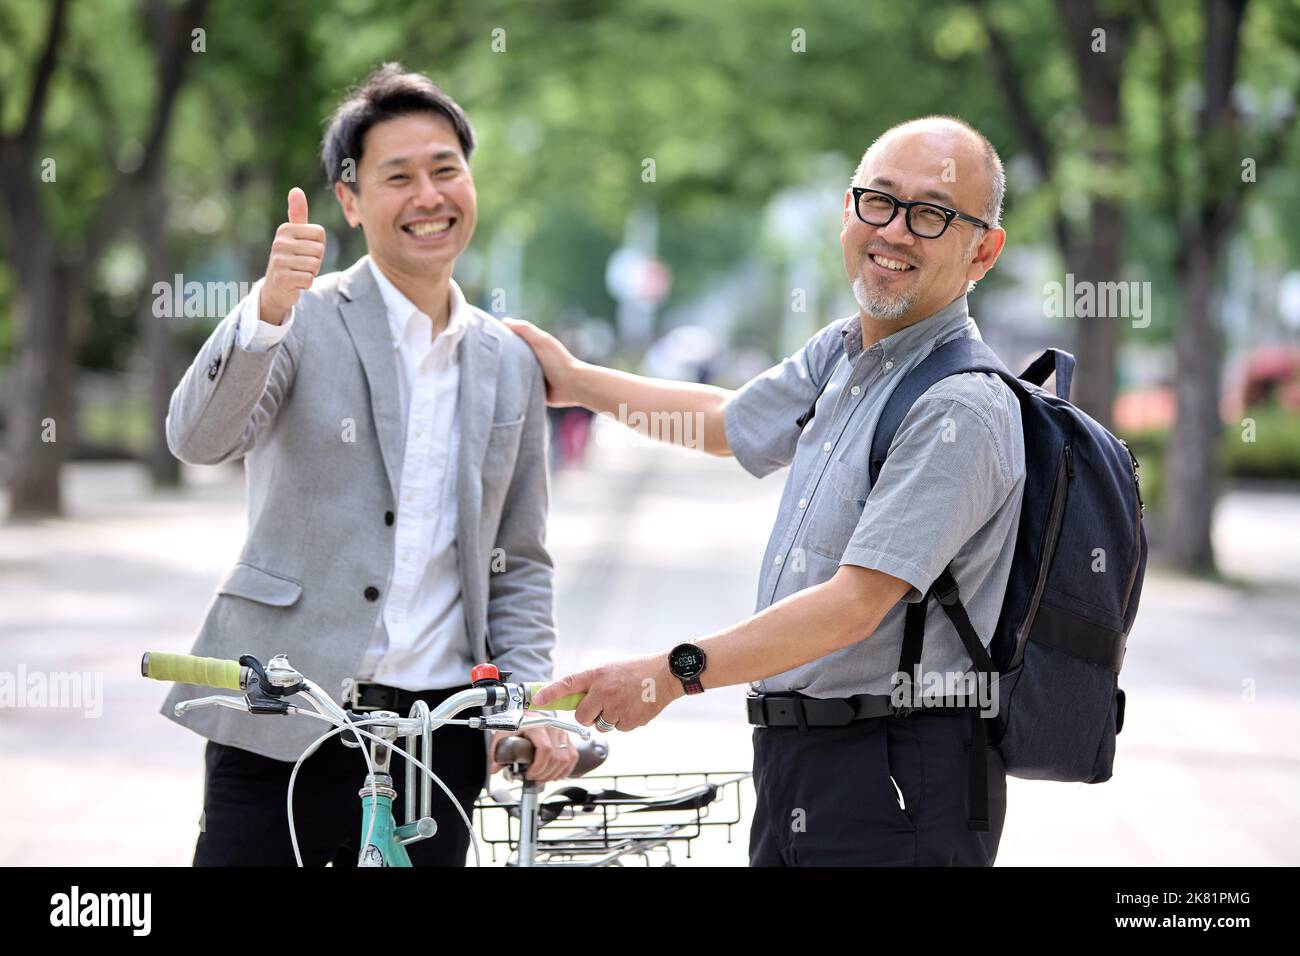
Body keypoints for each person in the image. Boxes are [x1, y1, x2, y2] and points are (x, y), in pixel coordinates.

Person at [512, 116, 1026, 866]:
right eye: (878, 201)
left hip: (899, 777)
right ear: (847, 212)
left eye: (933, 214)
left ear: (983, 249)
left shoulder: (958, 407)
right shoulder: (848, 352)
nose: (895, 231)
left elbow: (854, 605)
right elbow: (725, 422)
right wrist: (579, 382)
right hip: (804, 759)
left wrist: (669, 675)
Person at [161, 63, 578, 866]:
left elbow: (520, 561)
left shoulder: (508, 361)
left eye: (446, 169)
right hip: (281, 723)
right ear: (350, 200)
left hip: (438, 746)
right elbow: (198, 439)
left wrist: (524, 702)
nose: (428, 196)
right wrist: (267, 309)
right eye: (398, 176)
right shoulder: (304, 320)